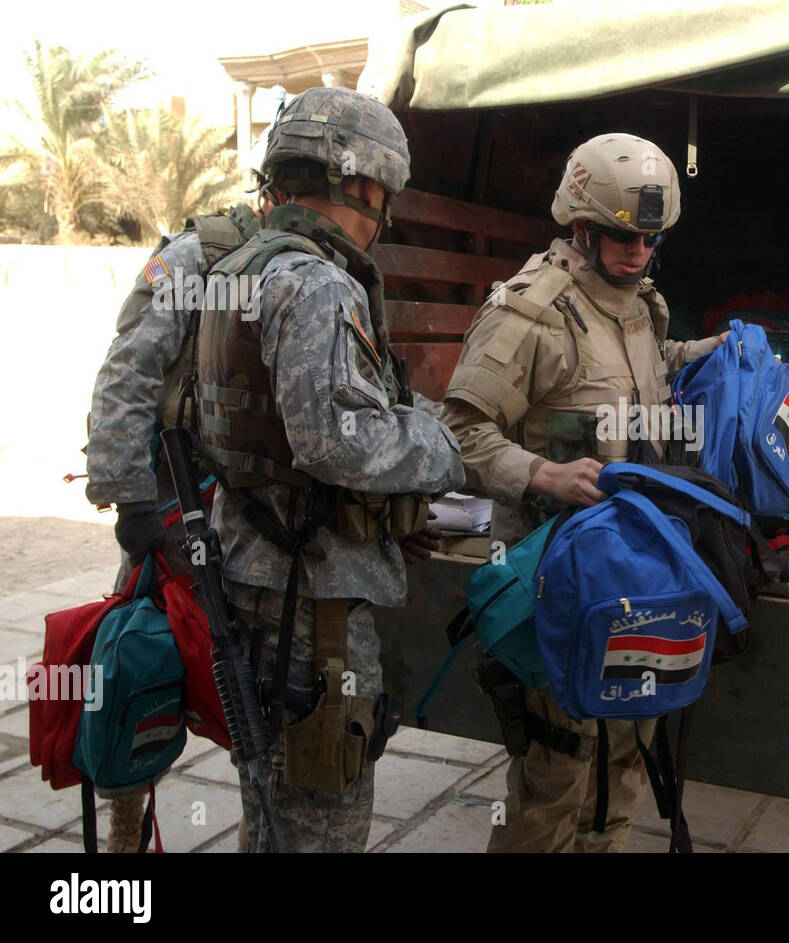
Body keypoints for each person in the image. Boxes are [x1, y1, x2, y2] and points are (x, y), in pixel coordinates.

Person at [195, 86, 464, 852]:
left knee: (271, 807)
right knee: (321, 819)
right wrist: (442, 446)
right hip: (312, 602)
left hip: (256, 572)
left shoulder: (236, 267)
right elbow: (336, 441)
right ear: (369, 185)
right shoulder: (316, 282)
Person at [442, 133, 726, 852]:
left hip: (629, 566)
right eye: (621, 236)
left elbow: (643, 368)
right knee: (557, 761)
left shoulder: (641, 304)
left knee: (625, 748)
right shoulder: (531, 311)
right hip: (554, 570)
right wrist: (543, 473)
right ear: (580, 227)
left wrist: (712, 352)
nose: (637, 252)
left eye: (650, 239)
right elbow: (461, 430)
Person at [86, 197, 265, 852]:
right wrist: (133, 506)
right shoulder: (200, 256)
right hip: (172, 509)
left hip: (261, 522)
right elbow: (126, 374)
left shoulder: (321, 262)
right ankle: (124, 841)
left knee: (260, 713)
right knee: (134, 673)